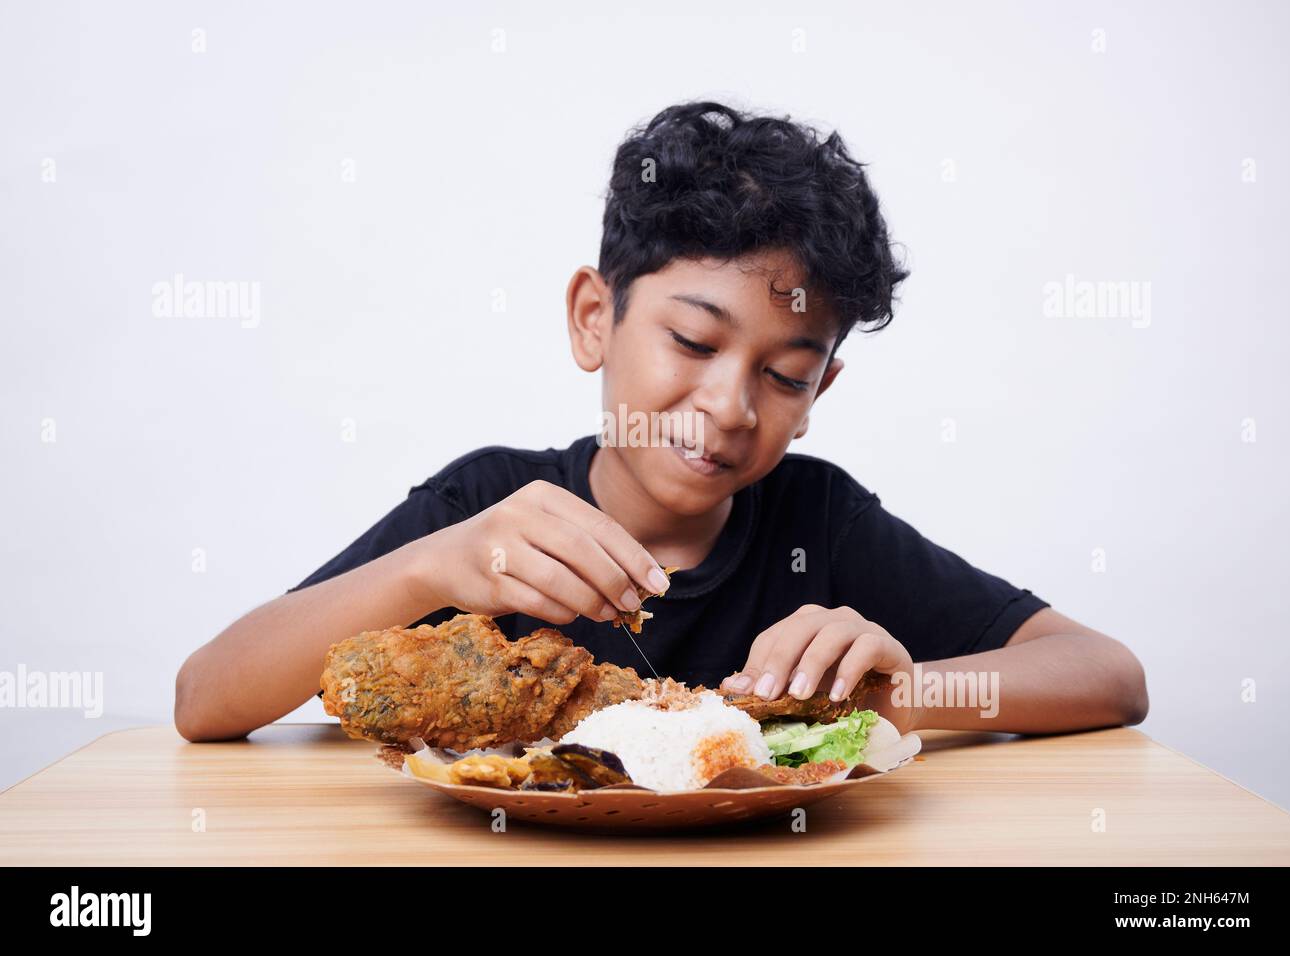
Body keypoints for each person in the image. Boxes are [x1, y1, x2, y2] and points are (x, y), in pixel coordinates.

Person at [175, 101, 1147, 742]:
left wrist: (891, 692)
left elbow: (1106, 674)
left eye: (782, 373)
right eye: (691, 341)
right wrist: (434, 564)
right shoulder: (487, 509)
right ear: (594, 317)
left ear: (818, 396)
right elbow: (205, 698)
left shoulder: (819, 521)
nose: (728, 406)